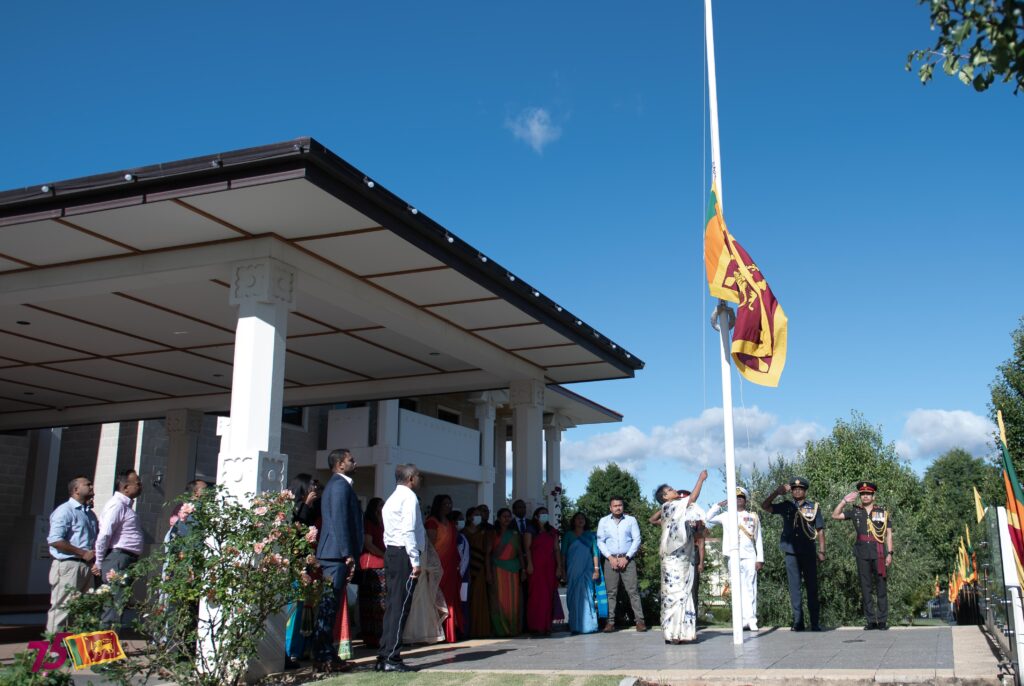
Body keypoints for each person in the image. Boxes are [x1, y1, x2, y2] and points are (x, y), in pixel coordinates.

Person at [312, 450, 362, 673]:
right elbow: (340, 521)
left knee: (330, 607)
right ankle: (324, 657)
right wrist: (347, 553)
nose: (355, 463)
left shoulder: (338, 484)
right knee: (328, 607)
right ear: (340, 464)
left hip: (334, 554)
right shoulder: (340, 485)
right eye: (351, 460)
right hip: (334, 555)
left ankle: (327, 655)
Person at [377, 464, 425, 673]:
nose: (420, 479)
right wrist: (415, 560)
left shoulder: (392, 498)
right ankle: (392, 657)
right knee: (400, 606)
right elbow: (408, 530)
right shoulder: (409, 497)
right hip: (403, 554)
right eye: (418, 476)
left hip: (392, 552)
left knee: (392, 605)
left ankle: (384, 654)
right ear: (411, 478)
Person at [762, 477, 826, 631]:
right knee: (795, 588)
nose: (797, 491)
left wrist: (822, 551)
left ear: (805, 491)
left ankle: (815, 622)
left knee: (812, 587)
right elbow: (765, 506)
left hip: (808, 551)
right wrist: (776, 493)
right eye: (794, 489)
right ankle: (798, 622)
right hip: (791, 552)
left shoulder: (813, 507)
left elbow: (820, 530)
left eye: (800, 489)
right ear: (791, 491)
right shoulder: (786, 505)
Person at [652, 469, 707, 644]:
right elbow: (692, 498)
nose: (674, 490)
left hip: (683, 558)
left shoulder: (675, 510)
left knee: (683, 592)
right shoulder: (670, 507)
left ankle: (682, 633)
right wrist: (701, 479)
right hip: (673, 559)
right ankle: (673, 633)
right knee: (674, 593)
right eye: (669, 490)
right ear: (664, 497)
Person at [831, 481, 894, 630]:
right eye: (863, 494)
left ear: (873, 496)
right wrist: (844, 501)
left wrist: (890, 553)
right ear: (860, 496)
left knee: (881, 587)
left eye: (868, 494)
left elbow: (888, 534)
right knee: (866, 587)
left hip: (879, 552)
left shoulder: (882, 512)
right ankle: (871, 620)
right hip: (862, 553)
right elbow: (835, 515)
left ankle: (882, 620)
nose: (865, 496)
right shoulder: (855, 511)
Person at [705, 487, 764, 631]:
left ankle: (751, 620)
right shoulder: (726, 515)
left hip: (749, 556)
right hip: (733, 556)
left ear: (745, 500)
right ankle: (741, 620)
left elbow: (758, 538)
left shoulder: (752, 516)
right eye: (735, 498)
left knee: (750, 588)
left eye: (741, 498)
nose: (738, 500)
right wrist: (719, 505)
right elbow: (708, 518)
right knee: (737, 588)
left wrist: (760, 558)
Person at [46, 476, 99, 633]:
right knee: (62, 609)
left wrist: (92, 562)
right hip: (68, 565)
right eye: (87, 484)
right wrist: (82, 553)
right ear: (76, 490)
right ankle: (54, 647)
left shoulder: (89, 514)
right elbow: (55, 540)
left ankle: (74, 647)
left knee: (83, 611)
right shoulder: (65, 511)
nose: (91, 486)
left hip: (85, 566)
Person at [95, 469, 144, 629]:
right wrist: (99, 561)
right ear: (125, 487)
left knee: (119, 603)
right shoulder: (116, 505)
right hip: (118, 559)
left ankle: (111, 642)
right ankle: (105, 643)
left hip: (125, 559)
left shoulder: (125, 506)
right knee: (113, 606)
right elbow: (105, 534)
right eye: (137, 483)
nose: (140, 485)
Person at [284, 474, 321, 669]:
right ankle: (289, 651)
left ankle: (299, 650)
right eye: (311, 486)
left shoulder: (312, 508)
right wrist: (305, 504)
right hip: (294, 566)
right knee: (294, 610)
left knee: (303, 609)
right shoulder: (294, 507)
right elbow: (296, 530)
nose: (314, 490)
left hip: (307, 563)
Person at [596, 496, 645, 632]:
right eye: (615, 506)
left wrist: (627, 557)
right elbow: (600, 541)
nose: (618, 508)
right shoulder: (604, 521)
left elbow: (637, 539)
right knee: (611, 592)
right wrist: (610, 557)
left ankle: (640, 621)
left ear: (623, 506)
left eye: (620, 505)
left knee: (633, 591)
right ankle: (610, 622)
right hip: (610, 560)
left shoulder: (631, 520)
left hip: (627, 560)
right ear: (610, 508)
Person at [425, 494, 462, 642]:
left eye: (450, 503)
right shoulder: (432, 522)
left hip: (451, 565)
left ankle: (450, 630)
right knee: (437, 597)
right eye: (445, 504)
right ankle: (436, 631)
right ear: (438, 505)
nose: (448, 506)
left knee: (450, 597)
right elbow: (430, 545)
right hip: (438, 565)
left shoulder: (451, 522)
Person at [561, 512, 601, 634]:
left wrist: (596, 569)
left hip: (587, 569)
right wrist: (562, 570)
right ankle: (575, 625)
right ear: (573, 521)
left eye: (582, 518)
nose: (580, 520)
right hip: (573, 570)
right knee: (573, 597)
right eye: (578, 518)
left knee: (588, 595)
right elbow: (563, 554)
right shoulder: (568, 535)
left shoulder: (590, 536)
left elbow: (595, 553)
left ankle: (589, 625)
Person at [524, 507, 562, 636]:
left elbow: (556, 549)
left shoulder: (552, 531)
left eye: (546, 513)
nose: (545, 515)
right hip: (536, 566)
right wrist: (529, 564)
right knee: (536, 596)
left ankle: (547, 624)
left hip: (550, 566)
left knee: (548, 595)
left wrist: (559, 566)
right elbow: (527, 548)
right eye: (542, 513)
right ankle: (536, 625)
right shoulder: (530, 530)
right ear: (536, 516)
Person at [489, 507, 525, 637]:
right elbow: (488, 554)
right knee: (499, 599)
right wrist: (488, 572)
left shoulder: (515, 534)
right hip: (498, 570)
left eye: (509, 516)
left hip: (513, 571)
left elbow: (520, 553)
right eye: (504, 516)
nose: (507, 519)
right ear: (498, 518)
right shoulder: (493, 533)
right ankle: (501, 629)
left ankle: (513, 628)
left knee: (513, 600)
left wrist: (523, 570)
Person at [359, 497, 387, 648]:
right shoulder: (369, 523)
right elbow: (368, 544)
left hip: (381, 564)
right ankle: (371, 637)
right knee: (371, 603)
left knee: (381, 602)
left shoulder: (383, 522)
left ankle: (380, 635)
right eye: (381, 505)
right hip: (372, 565)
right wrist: (384, 555)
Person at [463, 506, 492, 637]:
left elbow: (487, 553)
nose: (478, 517)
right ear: (469, 517)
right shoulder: (463, 532)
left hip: (480, 568)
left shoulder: (484, 532)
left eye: (480, 515)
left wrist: (488, 572)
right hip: (465, 568)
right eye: (475, 514)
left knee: (479, 598)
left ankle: (479, 629)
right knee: (466, 598)